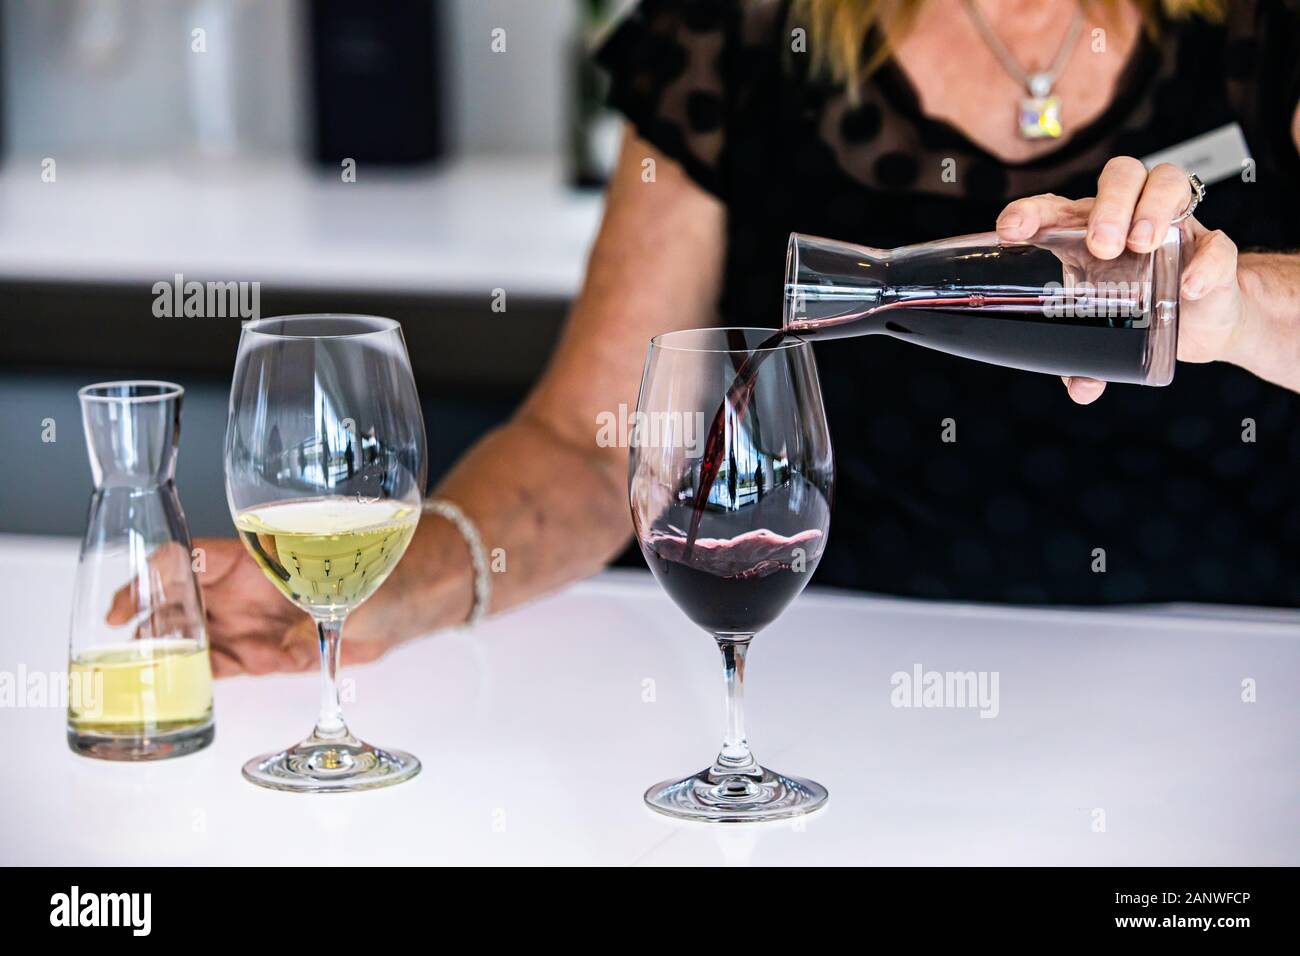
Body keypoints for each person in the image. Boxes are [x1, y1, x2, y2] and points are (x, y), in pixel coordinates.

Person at [191, 0, 1300, 676]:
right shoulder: (739, 26)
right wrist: (407, 578)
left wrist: (1237, 305)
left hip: (1233, 672)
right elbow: (595, 441)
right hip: (830, 688)